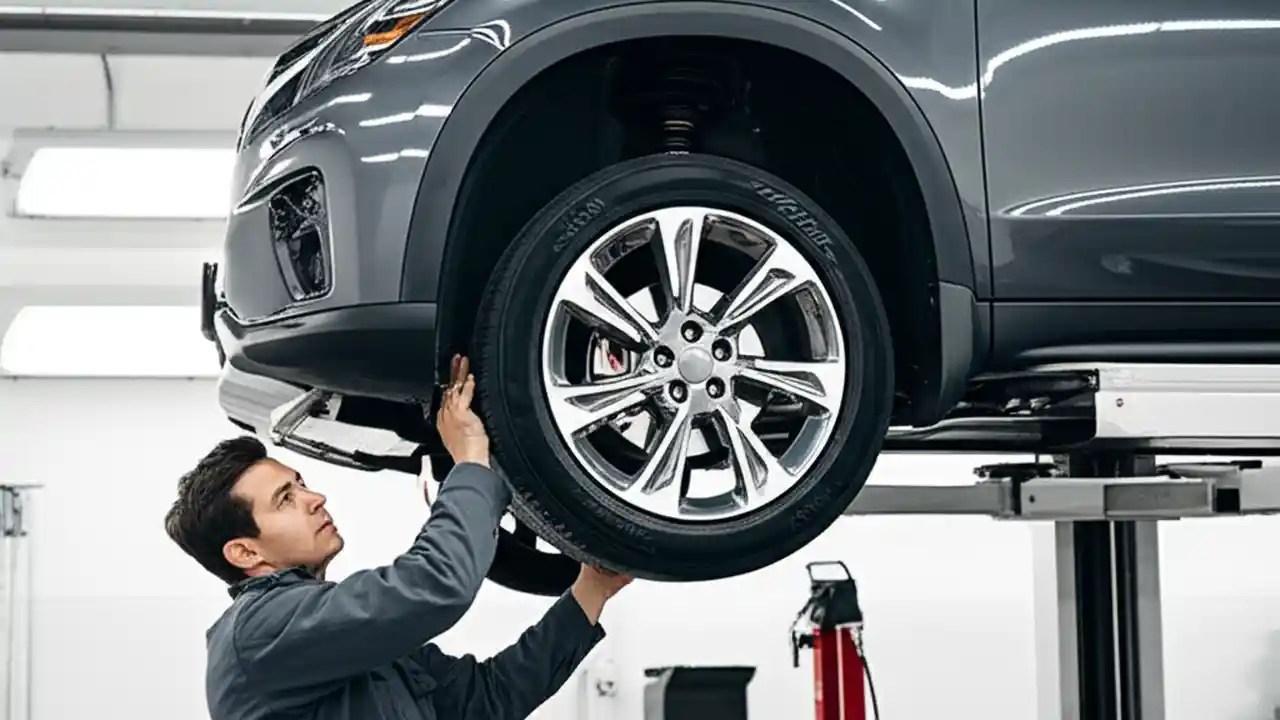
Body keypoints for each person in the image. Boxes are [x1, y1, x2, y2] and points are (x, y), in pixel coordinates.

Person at [164, 355, 631, 719]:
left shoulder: (340, 642)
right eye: (286, 498)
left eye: (302, 482)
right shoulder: (258, 632)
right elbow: (435, 584)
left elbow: (486, 701)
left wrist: (591, 589)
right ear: (245, 551)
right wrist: (468, 463)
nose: (315, 497)